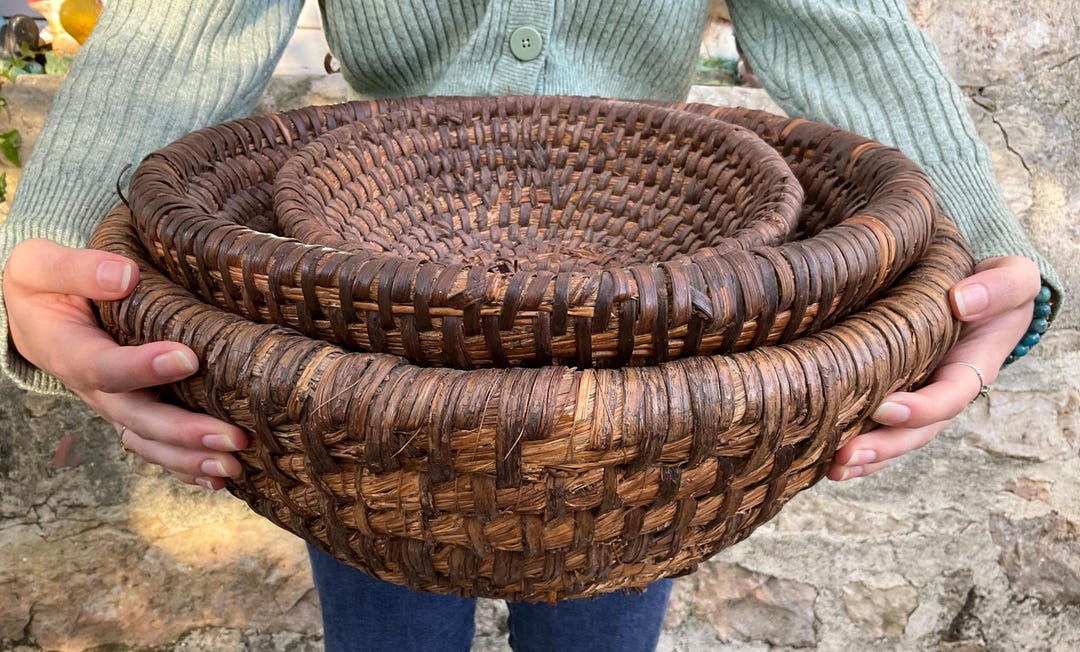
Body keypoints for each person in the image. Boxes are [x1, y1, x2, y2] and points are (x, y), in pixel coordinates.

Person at [0, 1, 1059, 650]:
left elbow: (841, 18)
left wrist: (974, 250)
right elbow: (190, 18)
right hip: (376, 315)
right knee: (385, 609)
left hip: (654, 321)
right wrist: (54, 255)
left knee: (608, 603)